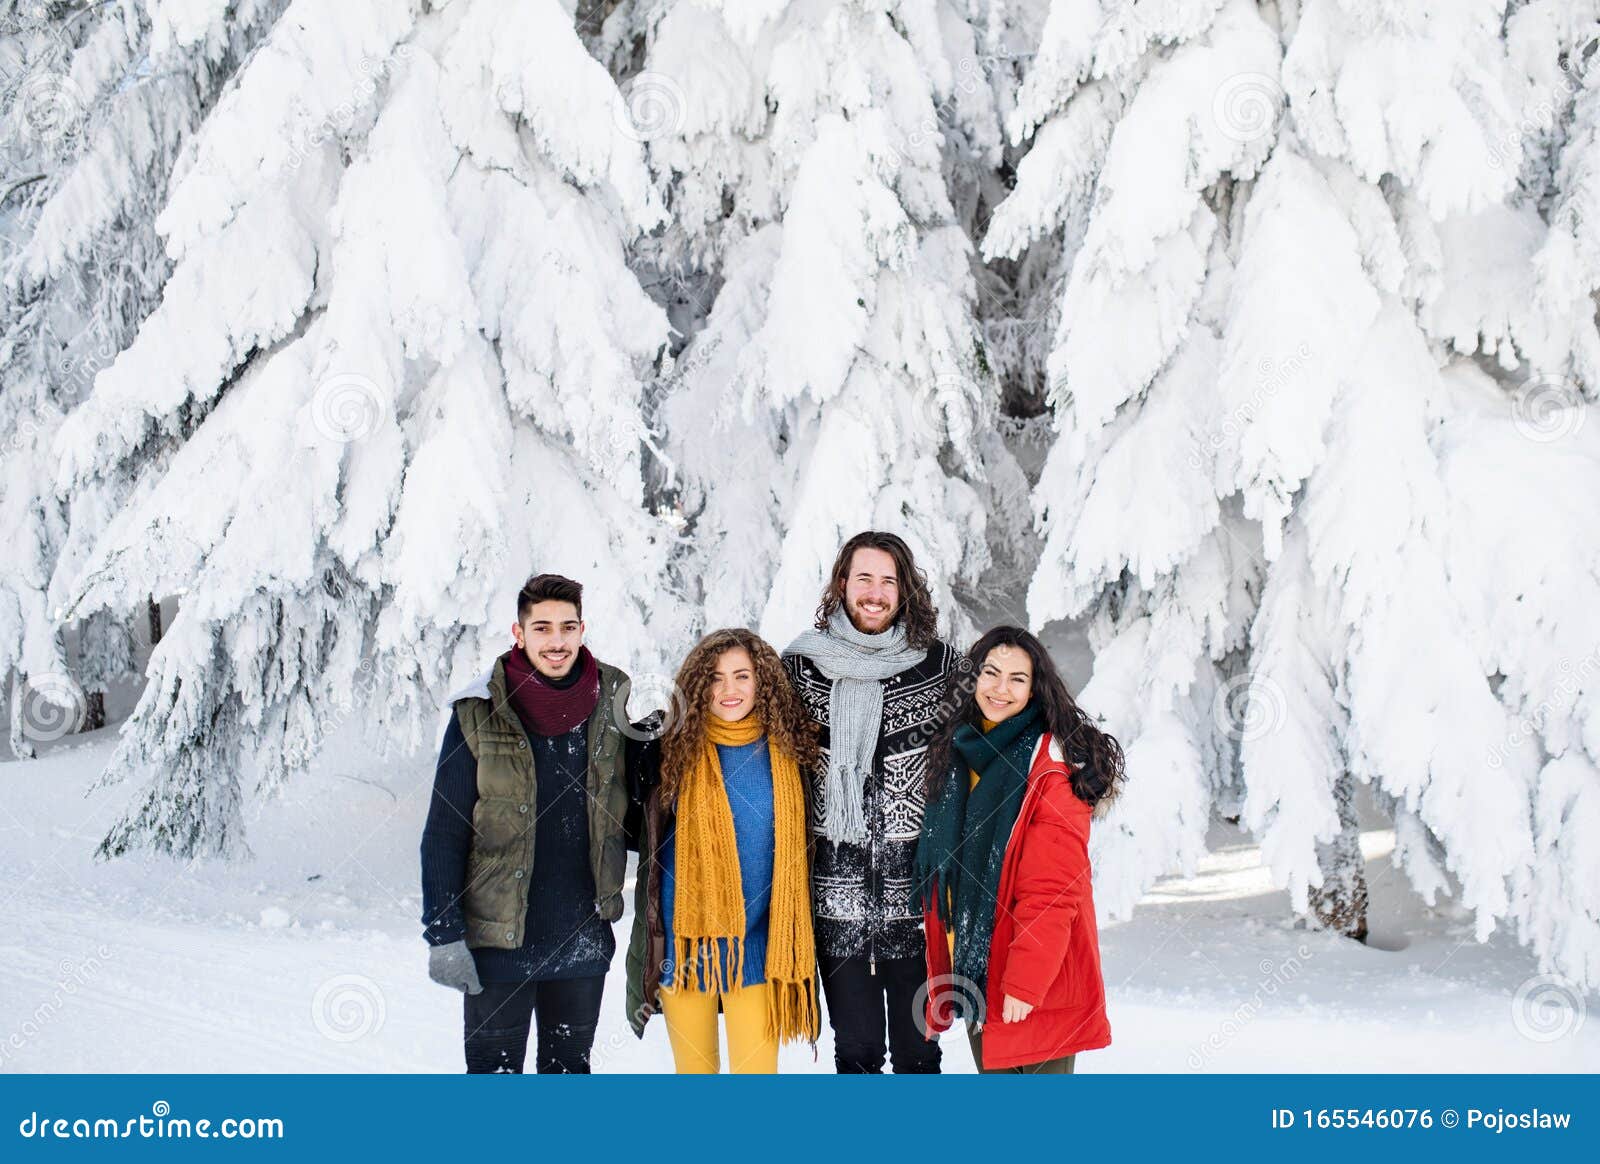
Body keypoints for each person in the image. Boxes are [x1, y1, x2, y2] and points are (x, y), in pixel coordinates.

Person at [419, 573, 644, 1073]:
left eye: (567, 627)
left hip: (581, 939)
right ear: (518, 633)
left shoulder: (613, 704)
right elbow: (443, 832)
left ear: (582, 630)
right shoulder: (477, 712)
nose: (556, 641)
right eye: (542, 628)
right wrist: (443, 932)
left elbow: (638, 816)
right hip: (498, 943)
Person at [782, 531, 960, 1073]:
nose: (876, 592)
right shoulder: (797, 669)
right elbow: (748, 740)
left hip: (918, 904)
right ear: (843, 583)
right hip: (835, 905)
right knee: (855, 1054)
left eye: (889, 580)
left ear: (905, 590)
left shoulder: (945, 669)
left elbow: (996, 739)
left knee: (919, 1054)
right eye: (864, 578)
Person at [915, 625, 1125, 1073]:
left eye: (1017, 678)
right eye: (991, 673)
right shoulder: (956, 753)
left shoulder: (1051, 766)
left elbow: (1053, 888)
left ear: (1035, 688)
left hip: (1033, 980)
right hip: (979, 973)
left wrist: (1025, 983)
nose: (1000, 689)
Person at [623, 629, 821, 1072]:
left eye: (741, 676)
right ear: (698, 684)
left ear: (762, 681)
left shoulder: (789, 749)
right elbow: (623, 818)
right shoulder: (669, 746)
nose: (728, 690)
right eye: (715, 678)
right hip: (685, 944)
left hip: (757, 949)